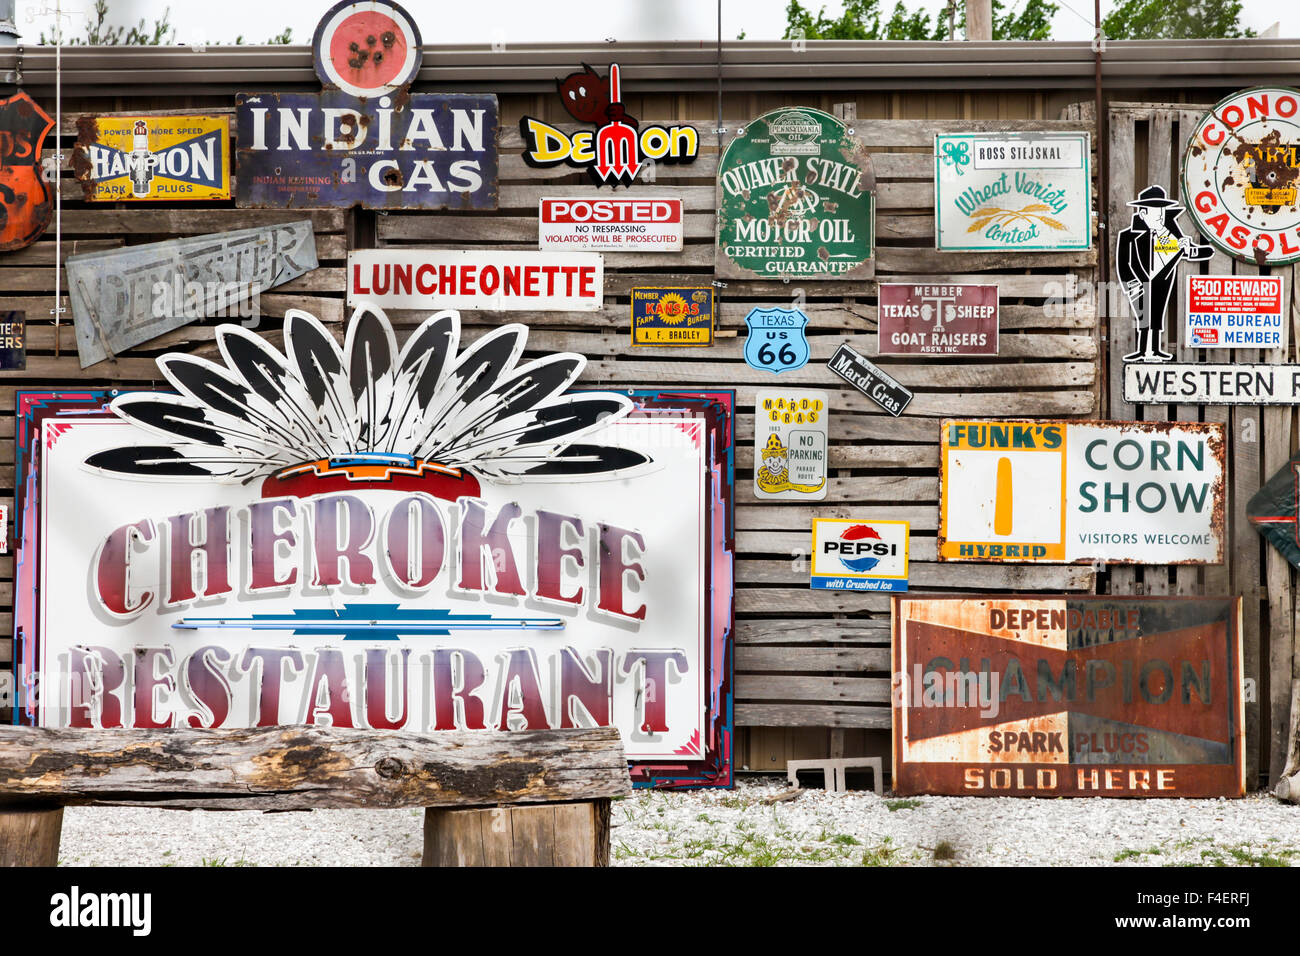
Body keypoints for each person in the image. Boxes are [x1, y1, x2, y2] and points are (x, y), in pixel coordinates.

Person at [1115, 185, 1212, 362]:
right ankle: (1142, 350)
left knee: (1157, 315)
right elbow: (1123, 264)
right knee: (1143, 316)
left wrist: (1189, 249)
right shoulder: (1128, 235)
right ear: (1143, 213)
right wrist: (1131, 285)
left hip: (1162, 280)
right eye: (1154, 211)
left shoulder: (1169, 234)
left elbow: (1202, 252)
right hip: (1139, 282)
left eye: (1161, 210)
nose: (1159, 215)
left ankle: (1156, 349)